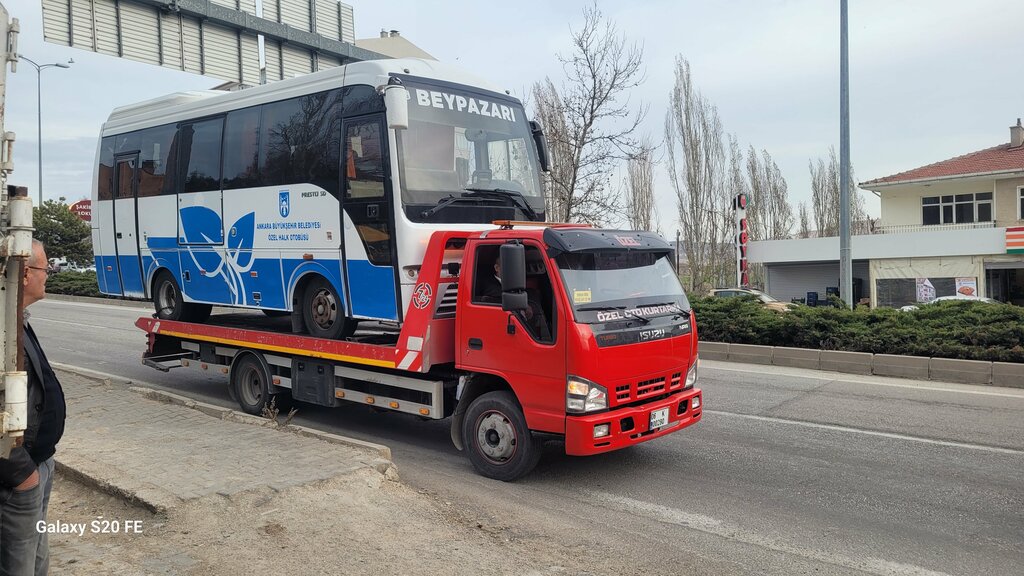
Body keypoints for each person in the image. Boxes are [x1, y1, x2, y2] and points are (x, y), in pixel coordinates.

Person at [0, 240, 66, 575]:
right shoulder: (3, 326)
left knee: (37, 558)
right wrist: (21, 473)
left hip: (38, 462)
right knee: (19, 565)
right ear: (25, 274)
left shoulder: (16, 318)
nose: (49, 275)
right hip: (19, 475)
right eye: (46, 268)